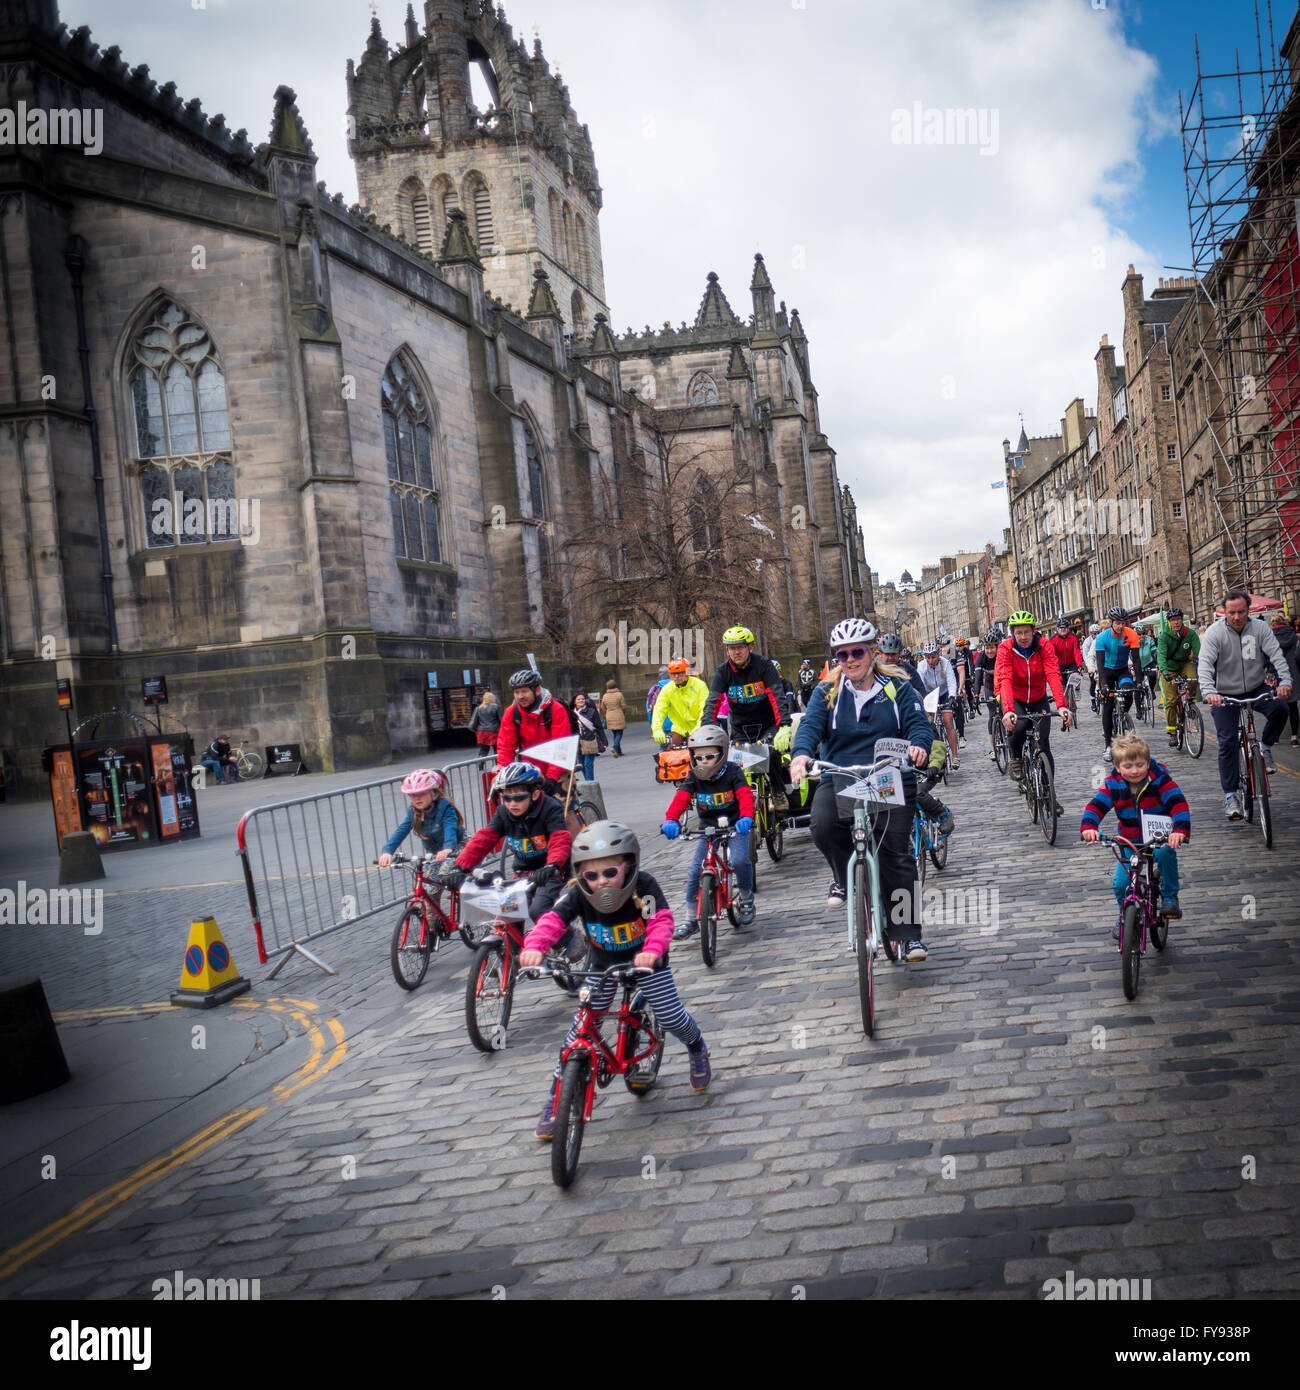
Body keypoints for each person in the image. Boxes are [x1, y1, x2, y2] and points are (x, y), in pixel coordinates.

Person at [521, 821, 712, 1138]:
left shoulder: (644, 888)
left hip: (647, 963)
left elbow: (660, 922)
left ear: (629, 865)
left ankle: (696, 1046)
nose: (600, 883)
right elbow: (552, 921)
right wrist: (534, 946)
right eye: (591, 876)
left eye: (610, 873)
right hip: (602, 965)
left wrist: (652, 950)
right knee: (578, 1030)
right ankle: (556, 1100)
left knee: (669, 1015)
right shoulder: (577, 895)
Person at [788, 617, 934, 962]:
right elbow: (809, 727)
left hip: (888, 775)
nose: (850, 660)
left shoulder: (896, 687)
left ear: (872, 652)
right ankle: (843, 876)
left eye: (857, 652)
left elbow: (917, 723)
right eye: (842, 655)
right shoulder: (827, 691)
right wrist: (801, 756)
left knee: (894, 855)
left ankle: (909, 935)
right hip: (842, 774)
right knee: (822, 825)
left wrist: (918, 746)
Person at [1197, 590, 1294, 818]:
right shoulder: (1214, 633)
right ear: (1224, 612)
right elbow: (1205, 666)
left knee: (1281, 709)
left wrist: (1285, 682)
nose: (1237, 617)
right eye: (1232, 613)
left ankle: (1266, 747)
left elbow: (1277, 657)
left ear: (1248, 611)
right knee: (1228, 740)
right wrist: (1210, 692)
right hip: (1225, 694)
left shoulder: (1260, 629)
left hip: (1256, 687)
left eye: (1241, 612)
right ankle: (1231, 795)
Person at [1081, 732, 1190, 930]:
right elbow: (1096, 806)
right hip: (1129, 842)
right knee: (1120, 884)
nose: (1134, 771)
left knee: (1165, 853)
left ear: (1148, 763)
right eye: (1128, 767)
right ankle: (1124, 916)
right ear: (1117, 766)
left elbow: (1178, 804)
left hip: (1158, 838)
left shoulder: (1160, 781)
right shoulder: (1113, 784)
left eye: (1140, 765)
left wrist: (1180, 830)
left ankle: (1169, 896)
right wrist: (1089, 826)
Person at [447, 762, 574, 931]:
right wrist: (460, 867)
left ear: (535, 794)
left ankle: (569, 939)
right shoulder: (503, 813)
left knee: (539, 911)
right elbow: (484, 839)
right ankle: (516, 956)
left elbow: (560, 839)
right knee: (509, 915)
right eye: (506, 798)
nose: (512, 803)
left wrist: (552, 865)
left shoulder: (551, 808)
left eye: (519, 797)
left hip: (551, 871)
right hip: (523, 871)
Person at [661, 723, 756, 934]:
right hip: (707, 828)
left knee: (740, 860)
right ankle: (690, 918)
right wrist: (671, 820)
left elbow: (745, 796)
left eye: (709, 757)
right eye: (699, 757)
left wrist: (746, 817)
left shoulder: (732, 771)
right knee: (695, 870)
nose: (703, 762)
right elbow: (681, 798)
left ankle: (747, 897)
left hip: (734, 825)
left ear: (722, 753)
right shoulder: (694, 776)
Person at [701, 624, 792, 807]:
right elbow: (713, 701)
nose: (736, 652)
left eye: (740, 647)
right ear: (727, 650)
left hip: (767, 724)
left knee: (771, 755)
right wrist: (706, 729)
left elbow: (777, 695)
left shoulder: (764, 666)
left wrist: (784, 724)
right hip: (740, 727)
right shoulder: (723, 672)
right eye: (732, 648)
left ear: (750, 647)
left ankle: (778, 791)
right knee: (737, 765)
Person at [994, 610, 1072, 812]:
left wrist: (1062, 705)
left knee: (1044, 744)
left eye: (1026, 632)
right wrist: (1008, 710)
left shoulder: (1044, 645)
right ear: (1012, 633)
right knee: (1018, 726)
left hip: (1038, 698)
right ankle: (1017, 757)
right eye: (1018, 633)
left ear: (1033, 631)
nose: (1023, 637)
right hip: (1017, 698)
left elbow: (1053, 674)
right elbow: (1005, 679)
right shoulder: (1005, 648)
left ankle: (1050, 795)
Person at [878, 634, 955, 834]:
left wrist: (935, 765)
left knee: (916, 793)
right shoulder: (875, 677)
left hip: (924, 765)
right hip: (894, 761)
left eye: (893, 654)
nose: (889, 659)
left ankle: (940, 812)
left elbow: (935, 743)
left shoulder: (909, 679)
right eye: (885, 654)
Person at [495, 669, 574, 795]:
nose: (520, 696)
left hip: (558, 767)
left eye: (524, 691)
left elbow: (562, 746)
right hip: (529, 771)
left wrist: (552, 777)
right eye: (517, 692)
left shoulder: (555, 709)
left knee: (562, 810)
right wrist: (501, 776)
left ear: (537, 690)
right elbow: (505, 748)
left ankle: (571, 814)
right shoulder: (512, 712)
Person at [378, 768, 464, 868]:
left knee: (448, 874)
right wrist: (388, 851)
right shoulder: (413, 812)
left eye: (422, 793)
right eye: (412, 795)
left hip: (457, 847)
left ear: (434, 794)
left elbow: (450, 827)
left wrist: (448, 848)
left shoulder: (445, 808)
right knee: (428, 878)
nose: (417, 798)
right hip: (436, 854)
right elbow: (401, 831)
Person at [1094, 606, 1143, 753]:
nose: (1121, 626)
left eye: (1124, 623)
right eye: (1118, 623)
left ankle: (1122, 714)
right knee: (1108, 707)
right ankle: (1108, 744)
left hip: (1122, 671)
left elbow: (1136, 660)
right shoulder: (1102, 638)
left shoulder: (1131, 634)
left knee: (1128, 691)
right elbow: (1100, 664)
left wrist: (1139, 681)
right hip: (1107, 673)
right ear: (1111, 622)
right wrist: (1103, 684)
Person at [1156, 608, 1201, 748]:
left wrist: (1206, 664)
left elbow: (1199, 651)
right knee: (1170, 700)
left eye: (1178, 619)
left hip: (1184, 664)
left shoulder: (1190, 634)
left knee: (1193, 679)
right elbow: (1161, 656)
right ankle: (1173, 732)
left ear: (1182, 620)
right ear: (1169, 622)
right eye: (1173, 620)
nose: (1176, 622)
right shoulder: (1164, 636)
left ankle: (1190, 701)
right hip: (1169, 668)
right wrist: (1165, 672)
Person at [915, 641, 960, 768]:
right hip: (929, 695)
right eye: (928, 657)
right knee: (931, 724)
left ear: (938, 655)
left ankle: (955, 756)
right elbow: (919, 685)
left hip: (944, 693)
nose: (930, 660)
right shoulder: (922, 666)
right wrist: (921, 700)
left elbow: (951, 681)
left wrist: (952, 697)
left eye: (933, 657)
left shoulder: (945, 663)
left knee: (948, 721)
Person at [651, 658, 710, 748]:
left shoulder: (699, 685)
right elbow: (659, 710)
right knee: (671, 756)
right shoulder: (667, 689)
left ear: (687, 673)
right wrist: (657, 730)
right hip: (679, 728)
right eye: (673, 674)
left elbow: (705, 708)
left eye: (680, 673)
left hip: (699, 727)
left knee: (703, 754)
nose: (677, 677)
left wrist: (699, 727)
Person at [1269, 610, 1299, 746]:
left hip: (1276, 673)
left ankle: (1275, 735)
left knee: (1276, 706)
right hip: (1292, 672)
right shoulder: (1293, 636)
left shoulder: (1270, 637)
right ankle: (1294, 737)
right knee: (1293, 707)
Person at [973, 633, 1001, 759]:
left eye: (992, 648)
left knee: (1007, 711)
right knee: (992, 714)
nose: (989, 651)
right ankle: (993, 748)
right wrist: (976, 695)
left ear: (996, 647)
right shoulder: (980, 658)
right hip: (989, 686)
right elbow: (978, 678)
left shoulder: (1001, 655)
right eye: (987, 648)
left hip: (1002, 685)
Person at [1048, 619, 1085, 714]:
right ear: (1057, 629)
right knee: (1063, 688)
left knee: (1077, 674)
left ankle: (1077, 689)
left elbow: (1076, 652)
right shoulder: (1053, 639)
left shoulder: (1073, 638)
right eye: (1061, 628)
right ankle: (1068, 705)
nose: (1063, 630)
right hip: (1060, 664)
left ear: (1068, 629)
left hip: (1072, 663)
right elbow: (1052, 655)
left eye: (1065, 628)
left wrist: (1079, 665)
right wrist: (1054, 667)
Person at [571, 692, 606, 782]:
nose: (581, 700)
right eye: (578, 699)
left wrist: (604, 741)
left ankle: (589, 782)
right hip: (578, 742)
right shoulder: (571, 713)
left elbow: (599, 727)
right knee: (581, 764)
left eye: (582, 699)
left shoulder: (592, 711)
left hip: (590, 740)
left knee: (588, 764)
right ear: (575, 701)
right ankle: (589, 780)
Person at [599, 679, 627, 756]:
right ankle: (614, 747)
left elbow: (602, 707)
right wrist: (623, 712)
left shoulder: (605, 695)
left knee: (615, 733)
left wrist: (607, 712)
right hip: (618, 714)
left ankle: (618, 751)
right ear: (615, 685)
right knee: (619, 733)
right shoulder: (619, 694)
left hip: (609, 715)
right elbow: (623, 706)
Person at [1082, 621, 1102, 710]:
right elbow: (1086, 656)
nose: (1096, 635)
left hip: (1100, 662)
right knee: (1093, 682)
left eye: (1098, 633)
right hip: (1092, 663)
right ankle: (1093, 701)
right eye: (1094, 633)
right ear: (1091, 634)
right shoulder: (1087, 642)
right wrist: (1090, 667)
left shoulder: (1101, 639)